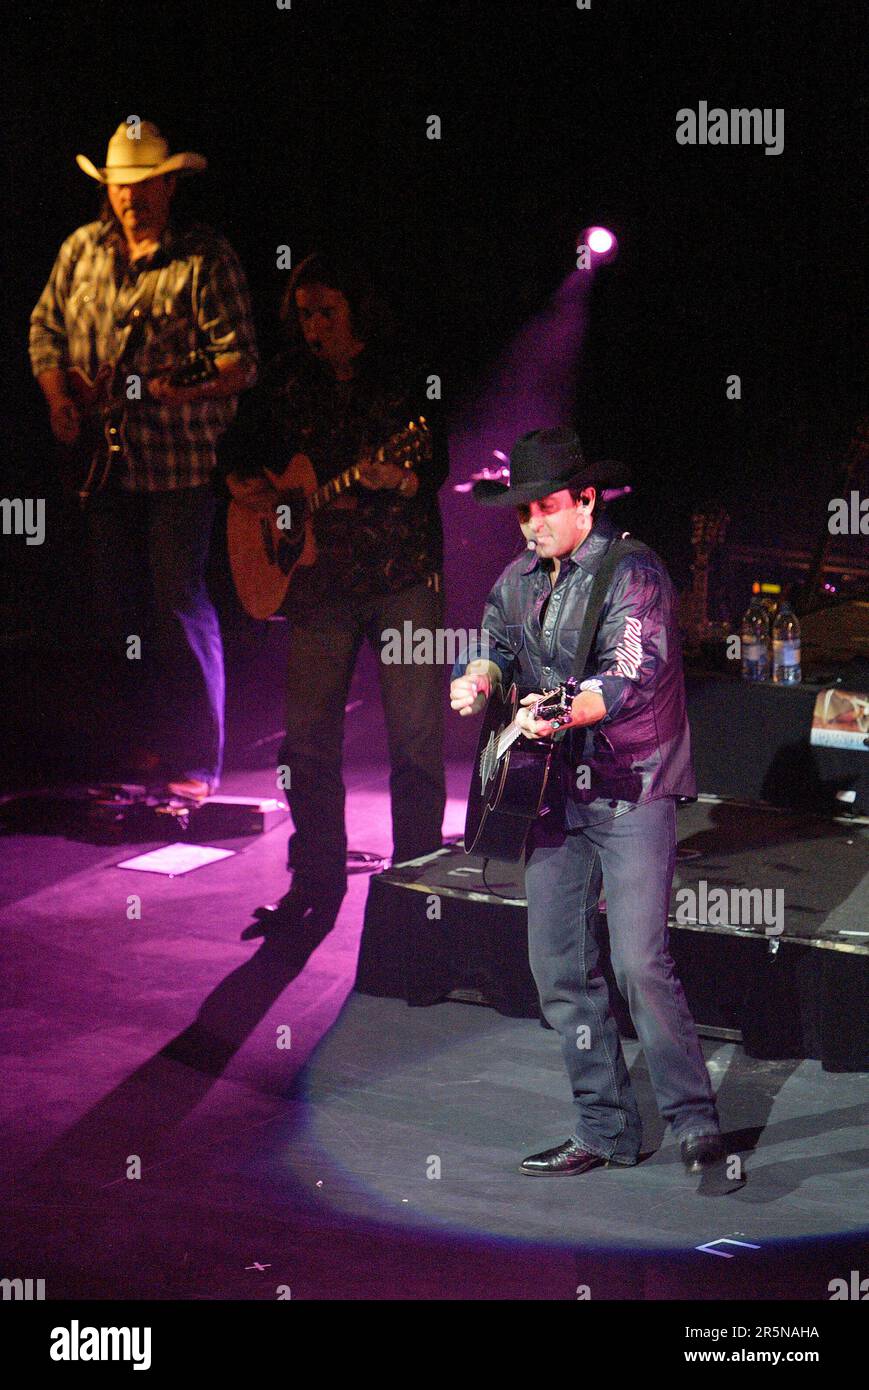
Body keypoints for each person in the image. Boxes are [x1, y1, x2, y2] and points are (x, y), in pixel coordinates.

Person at [450, 427, 729, 1180]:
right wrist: (476, 676)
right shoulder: (518, 579)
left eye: (542, 508)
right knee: (559, 970)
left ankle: (694, 1124)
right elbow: (493, 641)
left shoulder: (632, 572)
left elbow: (627, 675)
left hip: (631, 786)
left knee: (638, 961)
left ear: (584, 499)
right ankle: (603, 1129)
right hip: (550, 793)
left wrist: (559, 712)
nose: (531, 524)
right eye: (519, 514)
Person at [29, 120, 258, 798]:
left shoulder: (203, 258)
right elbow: (44, 329)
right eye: (120, 187)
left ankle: (196, 761)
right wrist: (56, 399)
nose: (132, 198)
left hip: (178, 465)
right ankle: (143, 747)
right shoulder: (80, 250)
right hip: (104, 470)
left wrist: (186, 383)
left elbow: (239, 360)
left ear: (168, 185)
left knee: (177, 603)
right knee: (118, 611)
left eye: (144, 185)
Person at [229, 251, 448, 933]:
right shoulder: (288, 382)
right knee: (305, 746)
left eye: (327, 311)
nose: (315, 325)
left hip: (400, 575)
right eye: (304, 313)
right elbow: (233, 455)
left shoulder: (406, 373)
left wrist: (401, 480)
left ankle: (415, 894)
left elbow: (433, 462)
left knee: (414, 743)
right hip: (319, 586)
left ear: (356, 309)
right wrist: (255, 494)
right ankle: (314, 883)